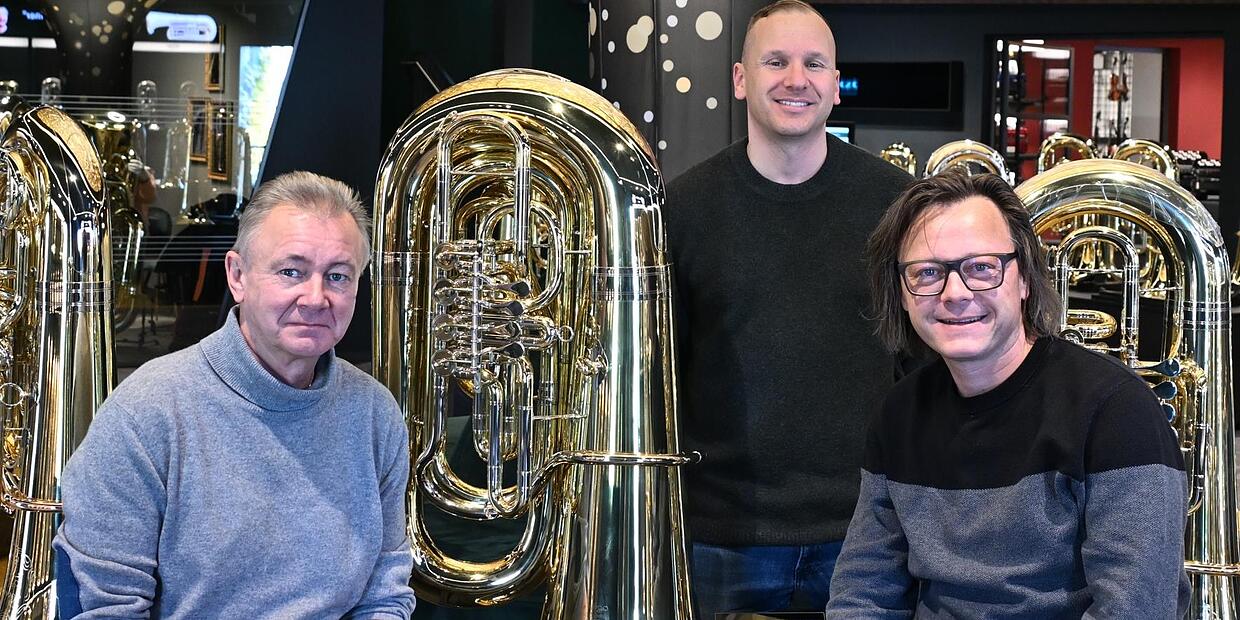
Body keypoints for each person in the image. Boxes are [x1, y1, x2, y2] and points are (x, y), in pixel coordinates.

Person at [53, 171, 417, 618]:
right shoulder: (145, 413)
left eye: (338, 276)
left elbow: (385, 593)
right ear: (237, 276)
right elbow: (107, 609)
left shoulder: (376, 414)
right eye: (291, 271)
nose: (316, 297)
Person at [826, 172, 1190, 617]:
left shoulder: (1117, 410)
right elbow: (863, 592)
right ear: (902, 295)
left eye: (981, 267)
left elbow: (1136, 609)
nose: (954, 293)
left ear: (1024, 280)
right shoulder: (899, 411)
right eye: (927, 272)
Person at [663, 0, 912, 614]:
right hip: (720, 536)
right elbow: (664, 371)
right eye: (775, 61)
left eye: (814, 64)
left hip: (869, 532)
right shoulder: (682, 208)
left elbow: (924, 362)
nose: (795, 79)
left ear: (834, 85)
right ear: (742, 80)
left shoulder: (897, 204)